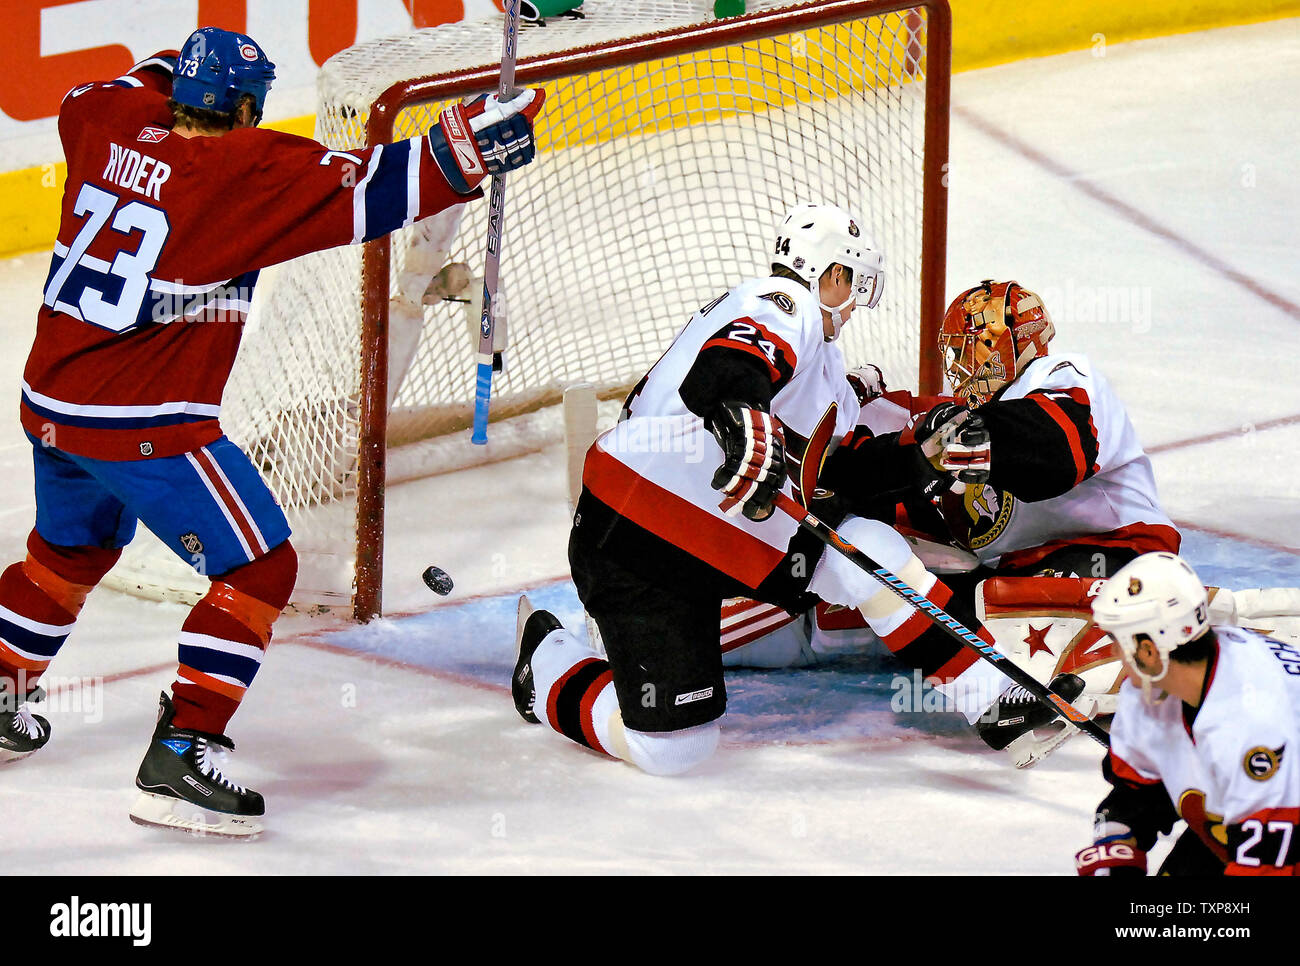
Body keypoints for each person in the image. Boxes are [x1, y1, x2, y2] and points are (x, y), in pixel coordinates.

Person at [0, 27, 544, 836]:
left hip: (53, 399)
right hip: (146, 423)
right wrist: (469, 144)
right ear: (249, 108)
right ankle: (182, 753)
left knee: (68, 554)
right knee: (259, 566)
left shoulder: (103, 121)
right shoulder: (242, 173)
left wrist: (185, 69)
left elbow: (116, 84)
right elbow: (380, 187)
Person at [509, 204, 1076, 776]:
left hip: (722, 533)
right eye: (856, 286)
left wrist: (917, 457)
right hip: (634, 528)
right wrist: (742, 418)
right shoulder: (783, 304)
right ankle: (549, 658)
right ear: (834, 277)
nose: (856, 305)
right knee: (670, 749)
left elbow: (840, 472)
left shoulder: (826, 370)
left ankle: (1003, 704)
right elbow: (729, 365)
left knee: (872, 554)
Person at [722, 280, 1181, 763]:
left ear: (1008, 343)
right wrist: (838, 480)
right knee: (871, 580)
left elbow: (1060, 445)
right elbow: (905, 468)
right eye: (953, 353)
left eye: (970, 350)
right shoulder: (961, 415)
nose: (960, 367)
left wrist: (988, 442)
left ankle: (1099, 654)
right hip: (1009, 579)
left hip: (1121, 555)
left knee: (1004, 601)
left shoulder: (1061, 376)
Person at [1075, 552, 1299, 876]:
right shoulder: (1150, 690)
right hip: (1249, 832)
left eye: (1117, 640)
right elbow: (1138, 792)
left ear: (1149, 650)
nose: (1113, 653)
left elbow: (1270, 867)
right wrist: (1116, 847)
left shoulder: (1257, 720)